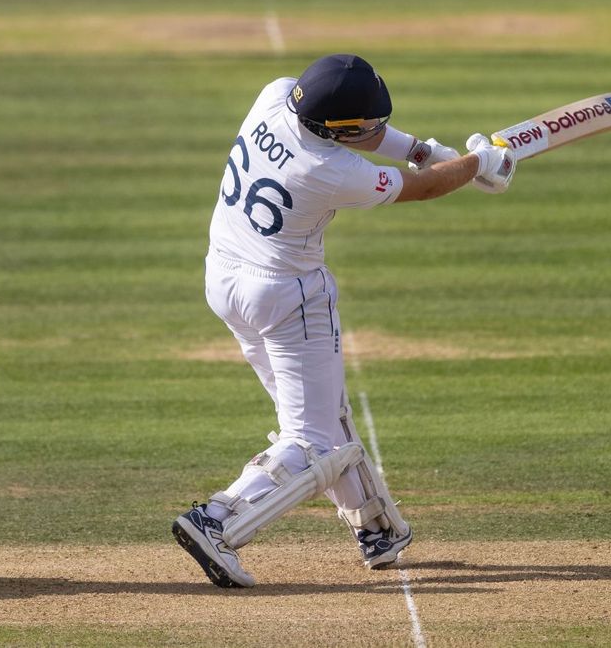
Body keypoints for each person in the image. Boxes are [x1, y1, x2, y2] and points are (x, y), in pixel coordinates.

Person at [173, 53, 516, 588]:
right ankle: (216, 519)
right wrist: (477, 164)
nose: (378, 128)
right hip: (290, 298)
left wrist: (424, 150)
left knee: (321, 411)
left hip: (225, 277)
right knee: (311, 440)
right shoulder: (329, 170)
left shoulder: (276, 93)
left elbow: (372, 139)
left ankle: (376, 526)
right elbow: (420, 188)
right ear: (339, 129)